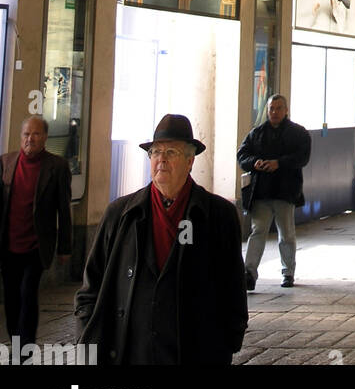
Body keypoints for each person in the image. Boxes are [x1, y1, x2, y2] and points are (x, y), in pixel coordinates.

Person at [75, 114, 247, 365]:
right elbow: (91, 287)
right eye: (155, 152)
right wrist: (87, 339)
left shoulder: (218, 216)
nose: (161, 160)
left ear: (190, 161)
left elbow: (232, 286)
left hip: (194, 352)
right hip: (129, 352)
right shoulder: (121, 214)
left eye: (171, 152)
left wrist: (228, 341)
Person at [1, 116, 73, 346]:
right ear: (20, 137)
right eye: (25, 134)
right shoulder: (5, 163)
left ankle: (25, 349)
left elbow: (64, 209)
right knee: (11, 297)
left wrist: (65, 247)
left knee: (27, 294)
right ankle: (15, 342)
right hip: (9, 244)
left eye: (35, 134)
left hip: (36, 246)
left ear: (45, 137)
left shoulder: (57, 167)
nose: (29, 139)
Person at [237, 93, 312, 288]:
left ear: (286, 110)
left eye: (278, 108)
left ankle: (288, 273)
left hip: (285, 192)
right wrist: (256, 163)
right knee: (258, 231)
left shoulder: (298, 133)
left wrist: (279, 164)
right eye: (271, 108)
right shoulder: (257, 133)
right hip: (261, 192)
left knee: (286, 233)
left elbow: (302, 157)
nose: (274, 112)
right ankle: (249, 273)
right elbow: (242, 155)